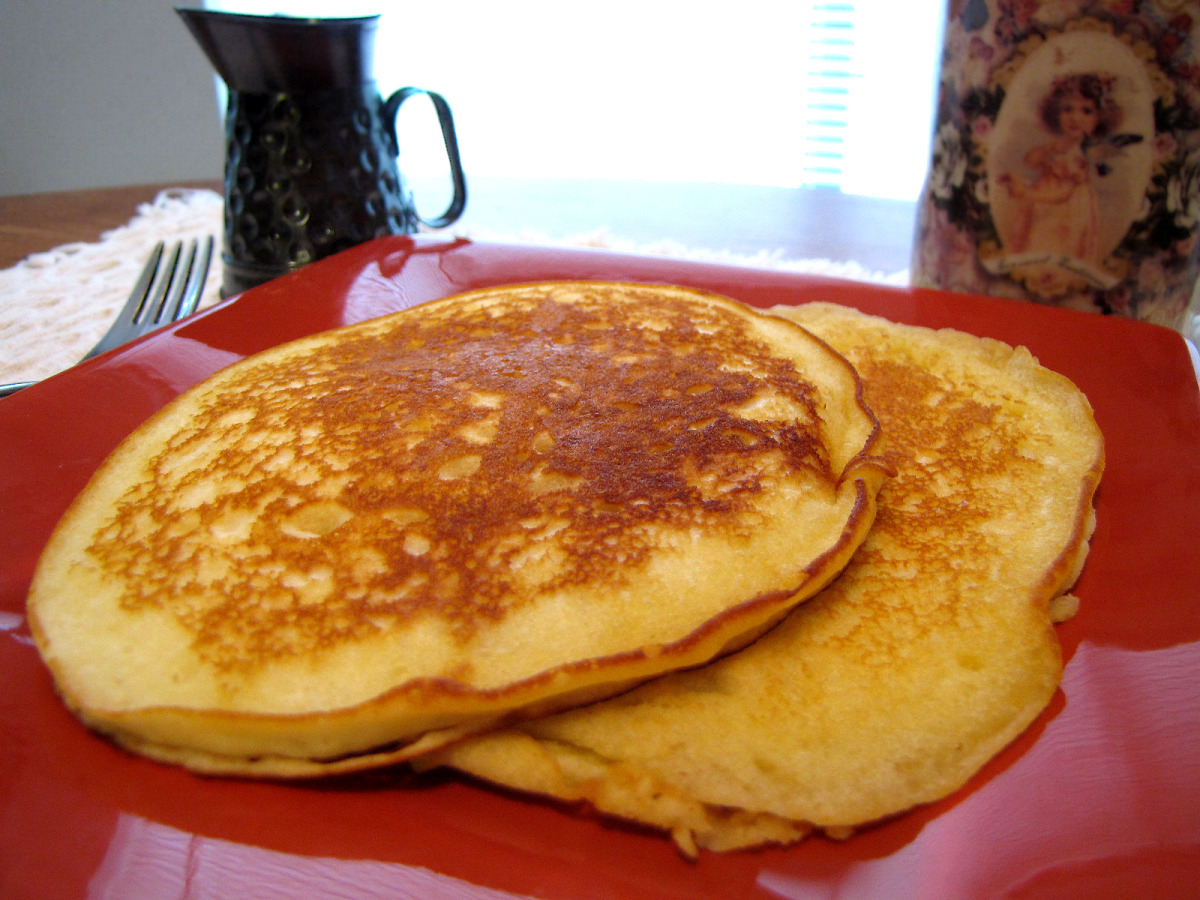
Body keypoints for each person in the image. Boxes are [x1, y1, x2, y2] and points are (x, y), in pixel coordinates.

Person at [997, 73, 1122, 265]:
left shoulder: (1082, 155)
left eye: (1086, 111)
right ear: (1056, 112)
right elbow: (1030, 162)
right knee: (1034, 247)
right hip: (1042, 203)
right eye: (1068, 109)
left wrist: (1027, 194)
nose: (1075, 117)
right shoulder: (1058, 144)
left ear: (1099, 117)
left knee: (1056, 250)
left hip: (1067, 211)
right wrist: (1046, 149)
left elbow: (1064, 194)